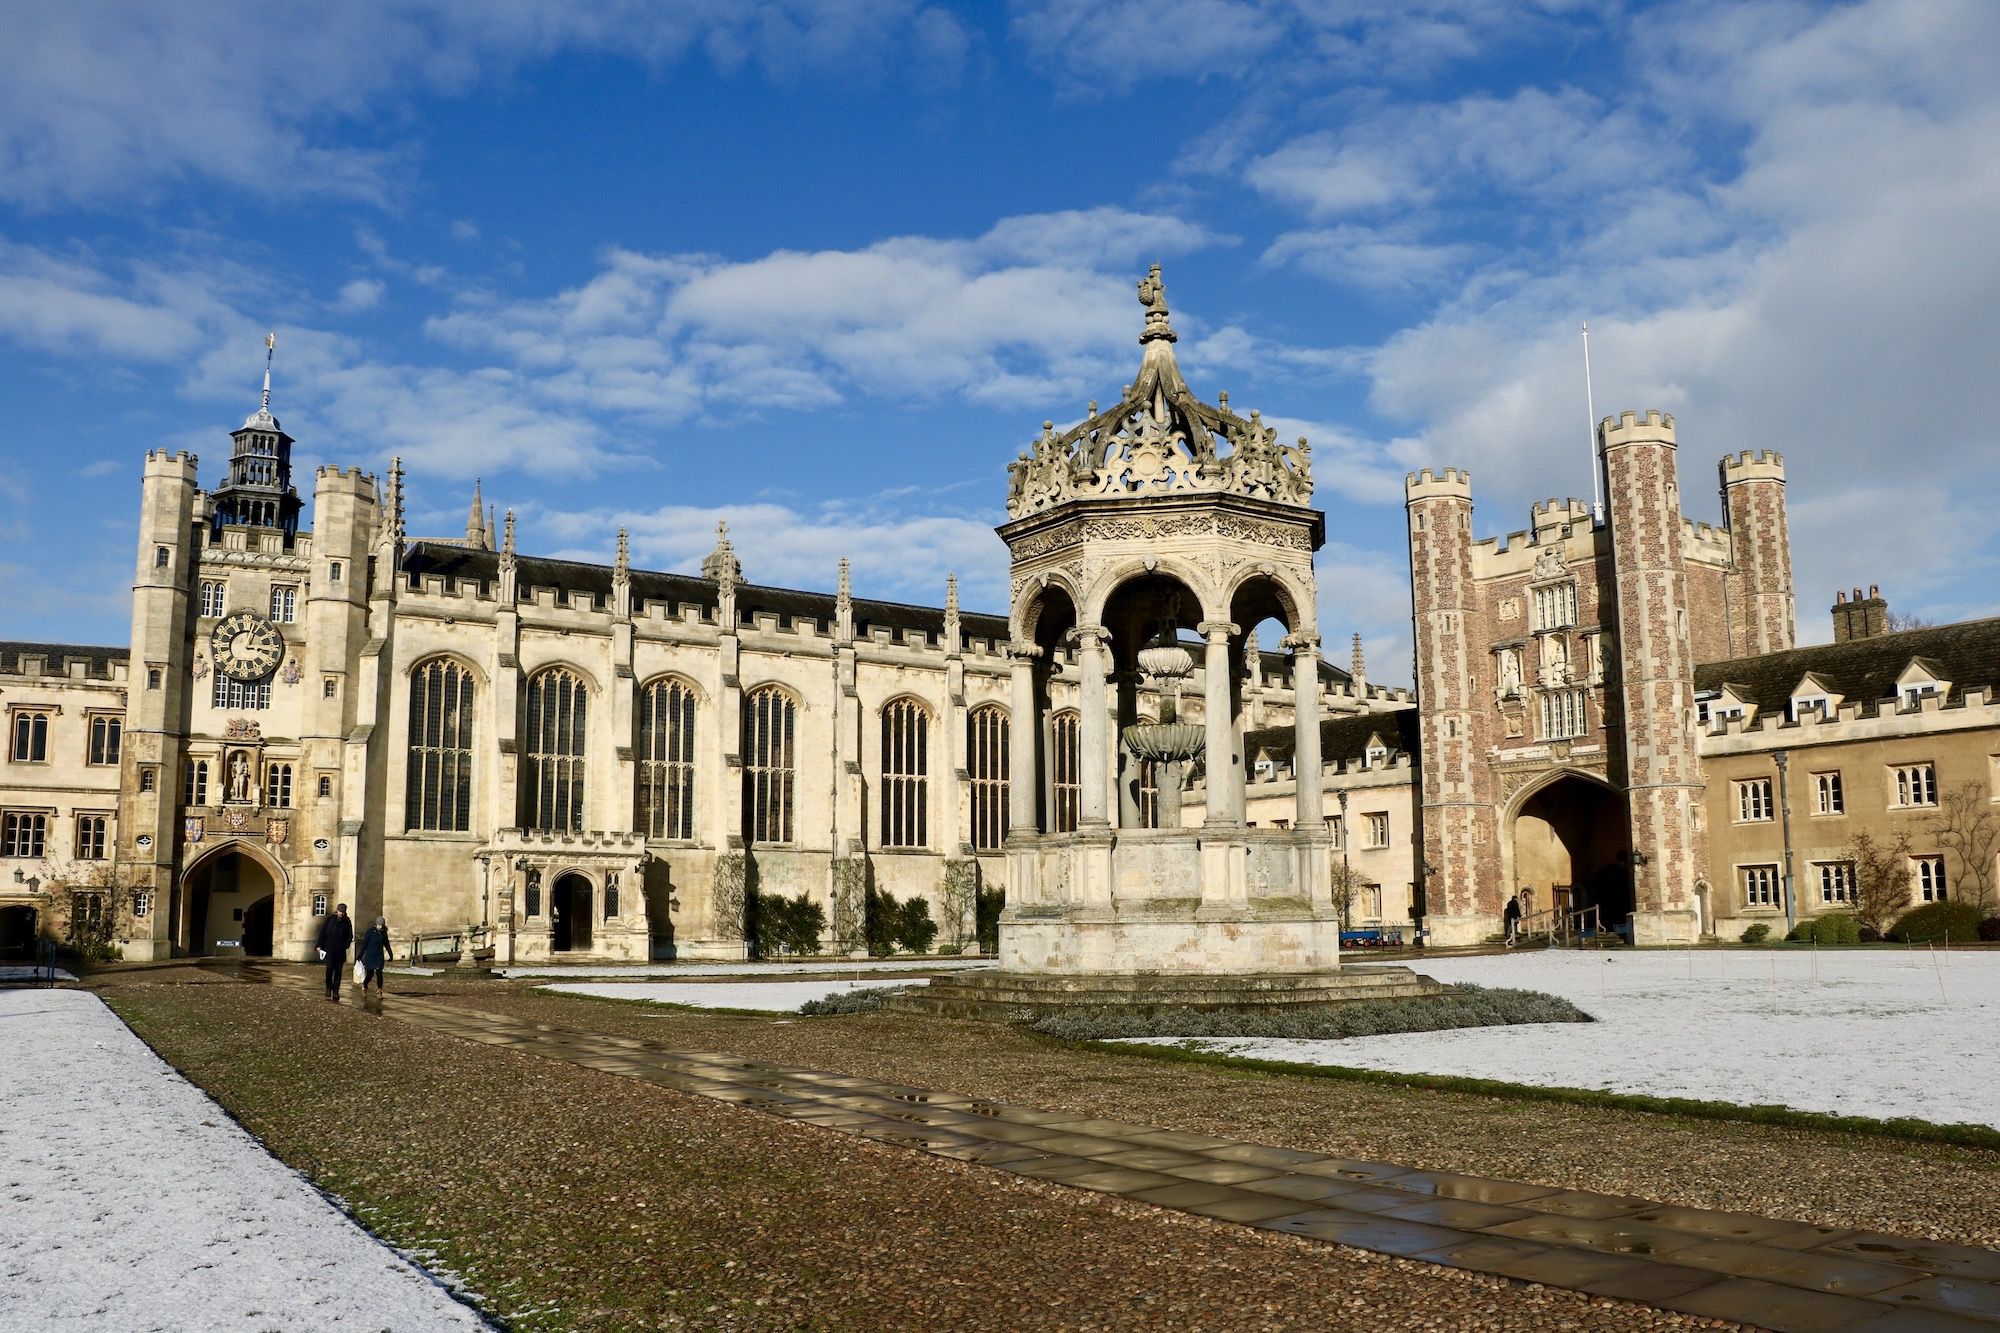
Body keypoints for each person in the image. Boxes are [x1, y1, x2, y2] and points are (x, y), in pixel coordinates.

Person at [315, 903, 353, 998]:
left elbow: (350, 935)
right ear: (337, 911)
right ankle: (328, 988)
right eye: (340, 911)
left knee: (338, 972)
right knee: (329, 969)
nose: (341, 913)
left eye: (343, 912)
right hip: (330, 949)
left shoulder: (347, 921)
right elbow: (323, 932)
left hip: (340, 950)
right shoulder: (330, 920)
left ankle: (336, 991)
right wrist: (319, 945)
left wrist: (346, 945)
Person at [356, 915, 392, 994]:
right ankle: (364, 985)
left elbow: (386, 944)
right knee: (370, 974)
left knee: (379, 972)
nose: (380, 926)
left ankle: (379, 990)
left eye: (381, 925)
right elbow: (364, 944)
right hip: (370, 955)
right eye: (379, 925)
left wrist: (390, 954)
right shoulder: (370, 932)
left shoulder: (383, 933)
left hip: (379, 956)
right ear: (376, 924)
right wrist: (360, 955)